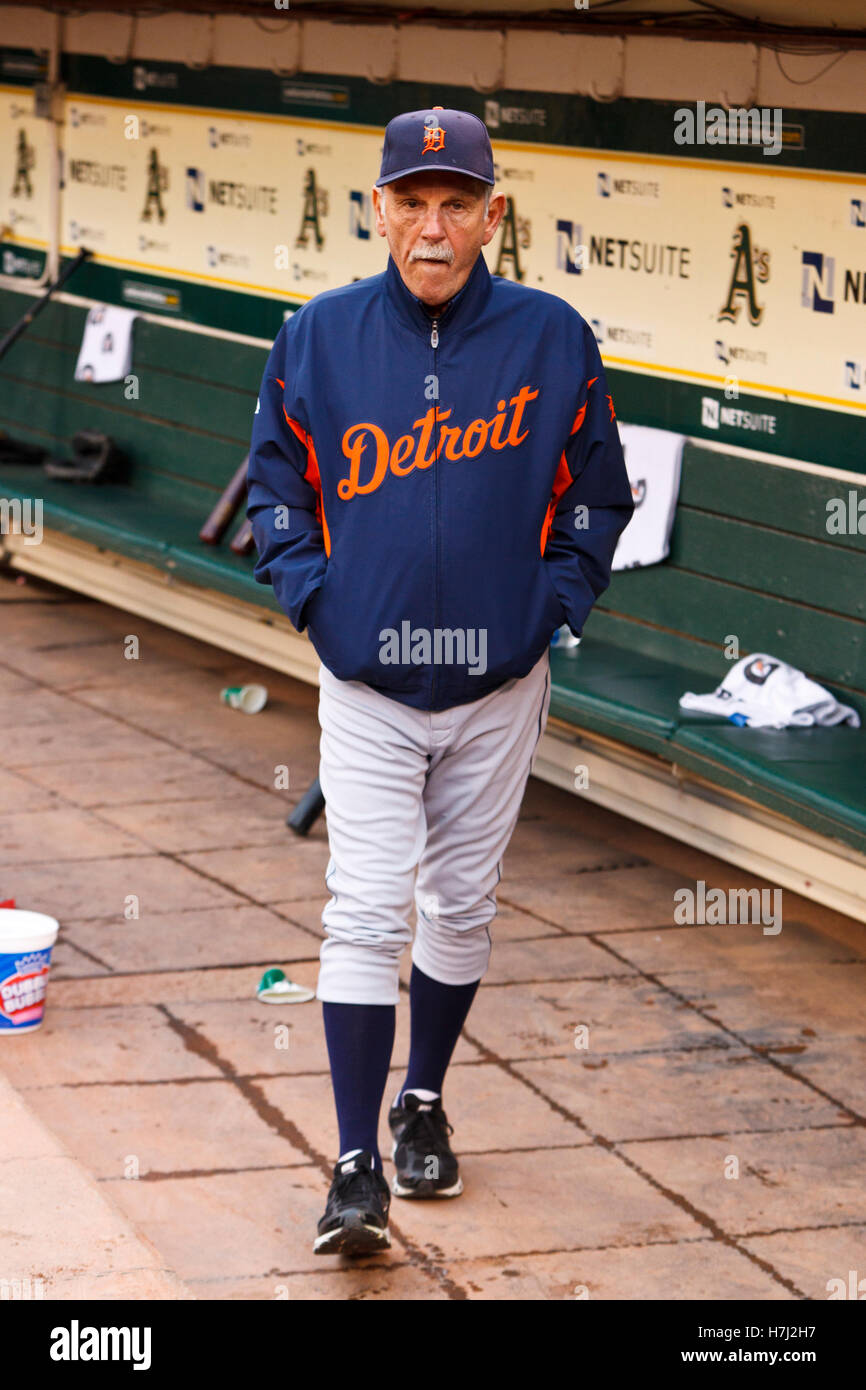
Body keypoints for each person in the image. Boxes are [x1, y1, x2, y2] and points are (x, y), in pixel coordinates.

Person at [246, 106, 634, 1257]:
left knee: (458, 905)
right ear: (377, 209)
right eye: (410, 202)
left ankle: (423, 1101)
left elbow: (597, 494)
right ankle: (354, 1163)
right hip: (367, 685)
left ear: (489, 215)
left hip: (496, 685)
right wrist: (317, 601)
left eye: (454, 202)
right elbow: (276, 489)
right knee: (364, 906)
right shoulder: (317, 335)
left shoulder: (550, 336)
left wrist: (550, 607)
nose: (431, 225)